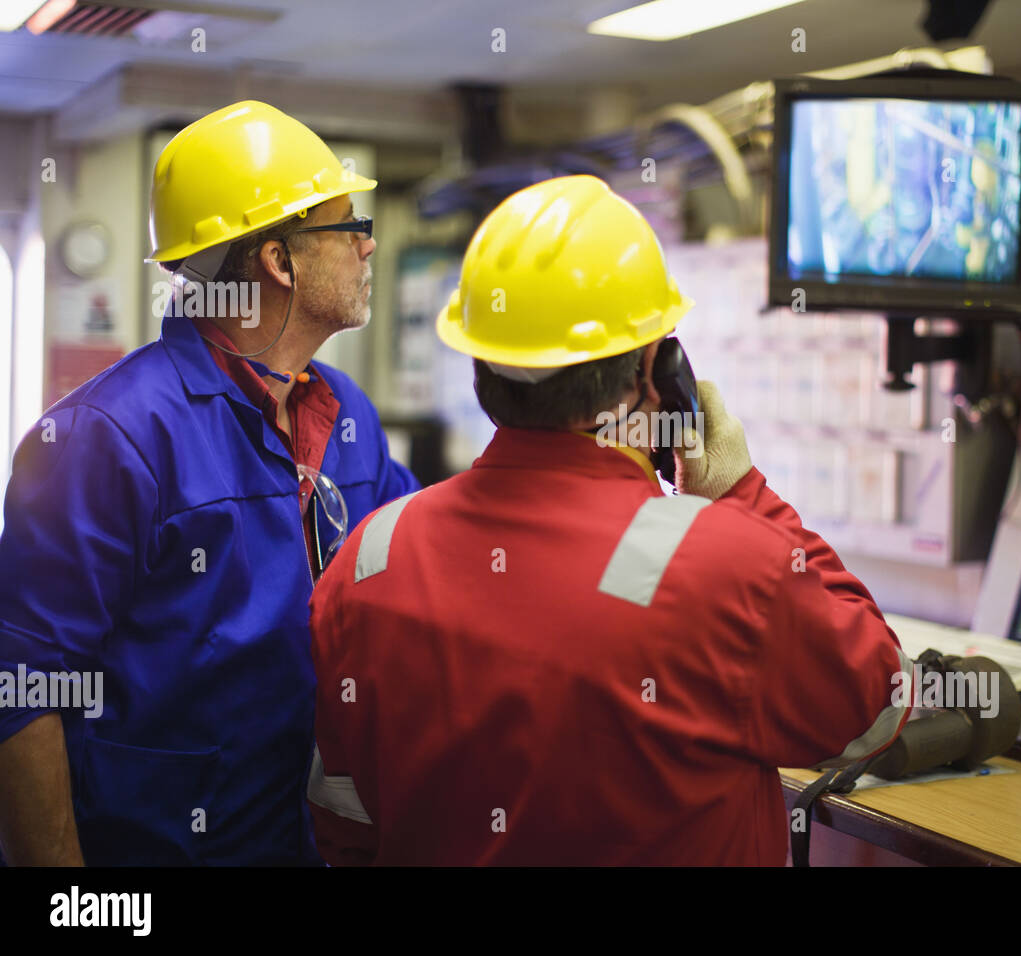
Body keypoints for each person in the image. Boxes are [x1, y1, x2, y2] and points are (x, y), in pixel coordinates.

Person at [307, 174, 909, 865]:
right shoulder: (730, 565)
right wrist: (743, 490)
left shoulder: (367, 558)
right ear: (657, 369)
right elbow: (879, 705)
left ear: (481, 366)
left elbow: (343, 822)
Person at [0, 100, 420, 865]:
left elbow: (422, 553)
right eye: (349, 227)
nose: (368, 248)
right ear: (279, 260)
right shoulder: (107, 437)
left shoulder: (344, 412)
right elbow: (23, 692)